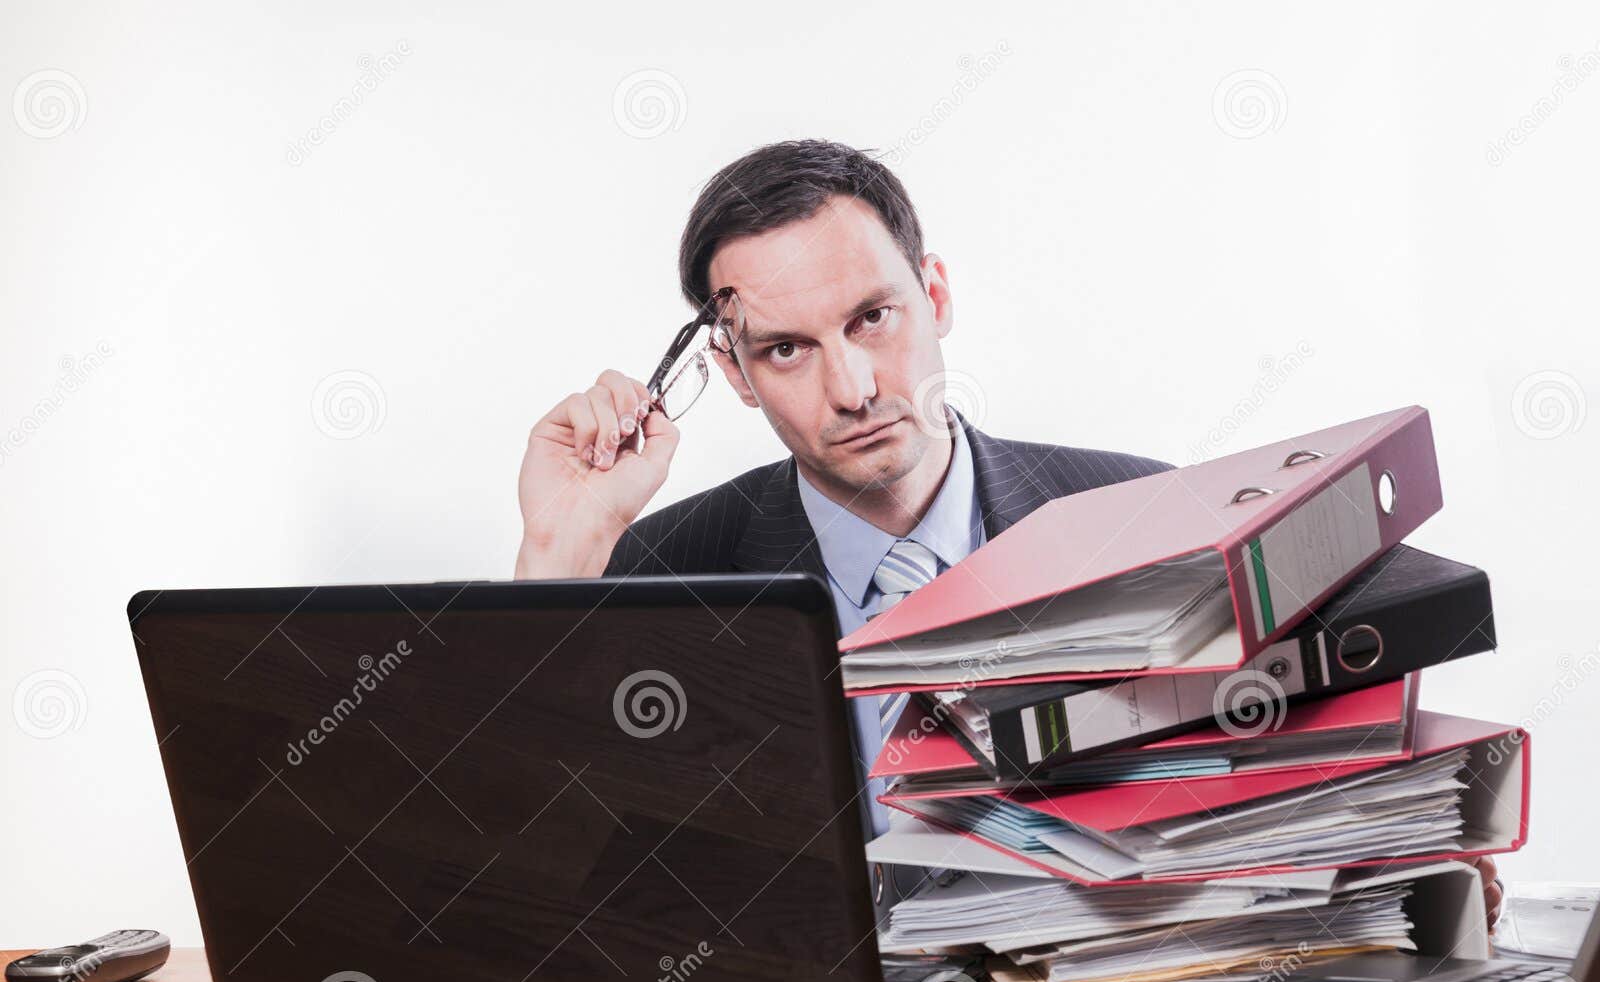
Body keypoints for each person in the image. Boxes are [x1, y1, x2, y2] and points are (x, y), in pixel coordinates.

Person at [512, 138, 1502, 928]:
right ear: (733, 374)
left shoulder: (1148, 519)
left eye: (872, 318)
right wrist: (558, 556)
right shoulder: (655, 569)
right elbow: (534, 870)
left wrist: (1382, 847)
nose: (852, 389)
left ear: (934, 295)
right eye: (785, 349)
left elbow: (1259, 773)